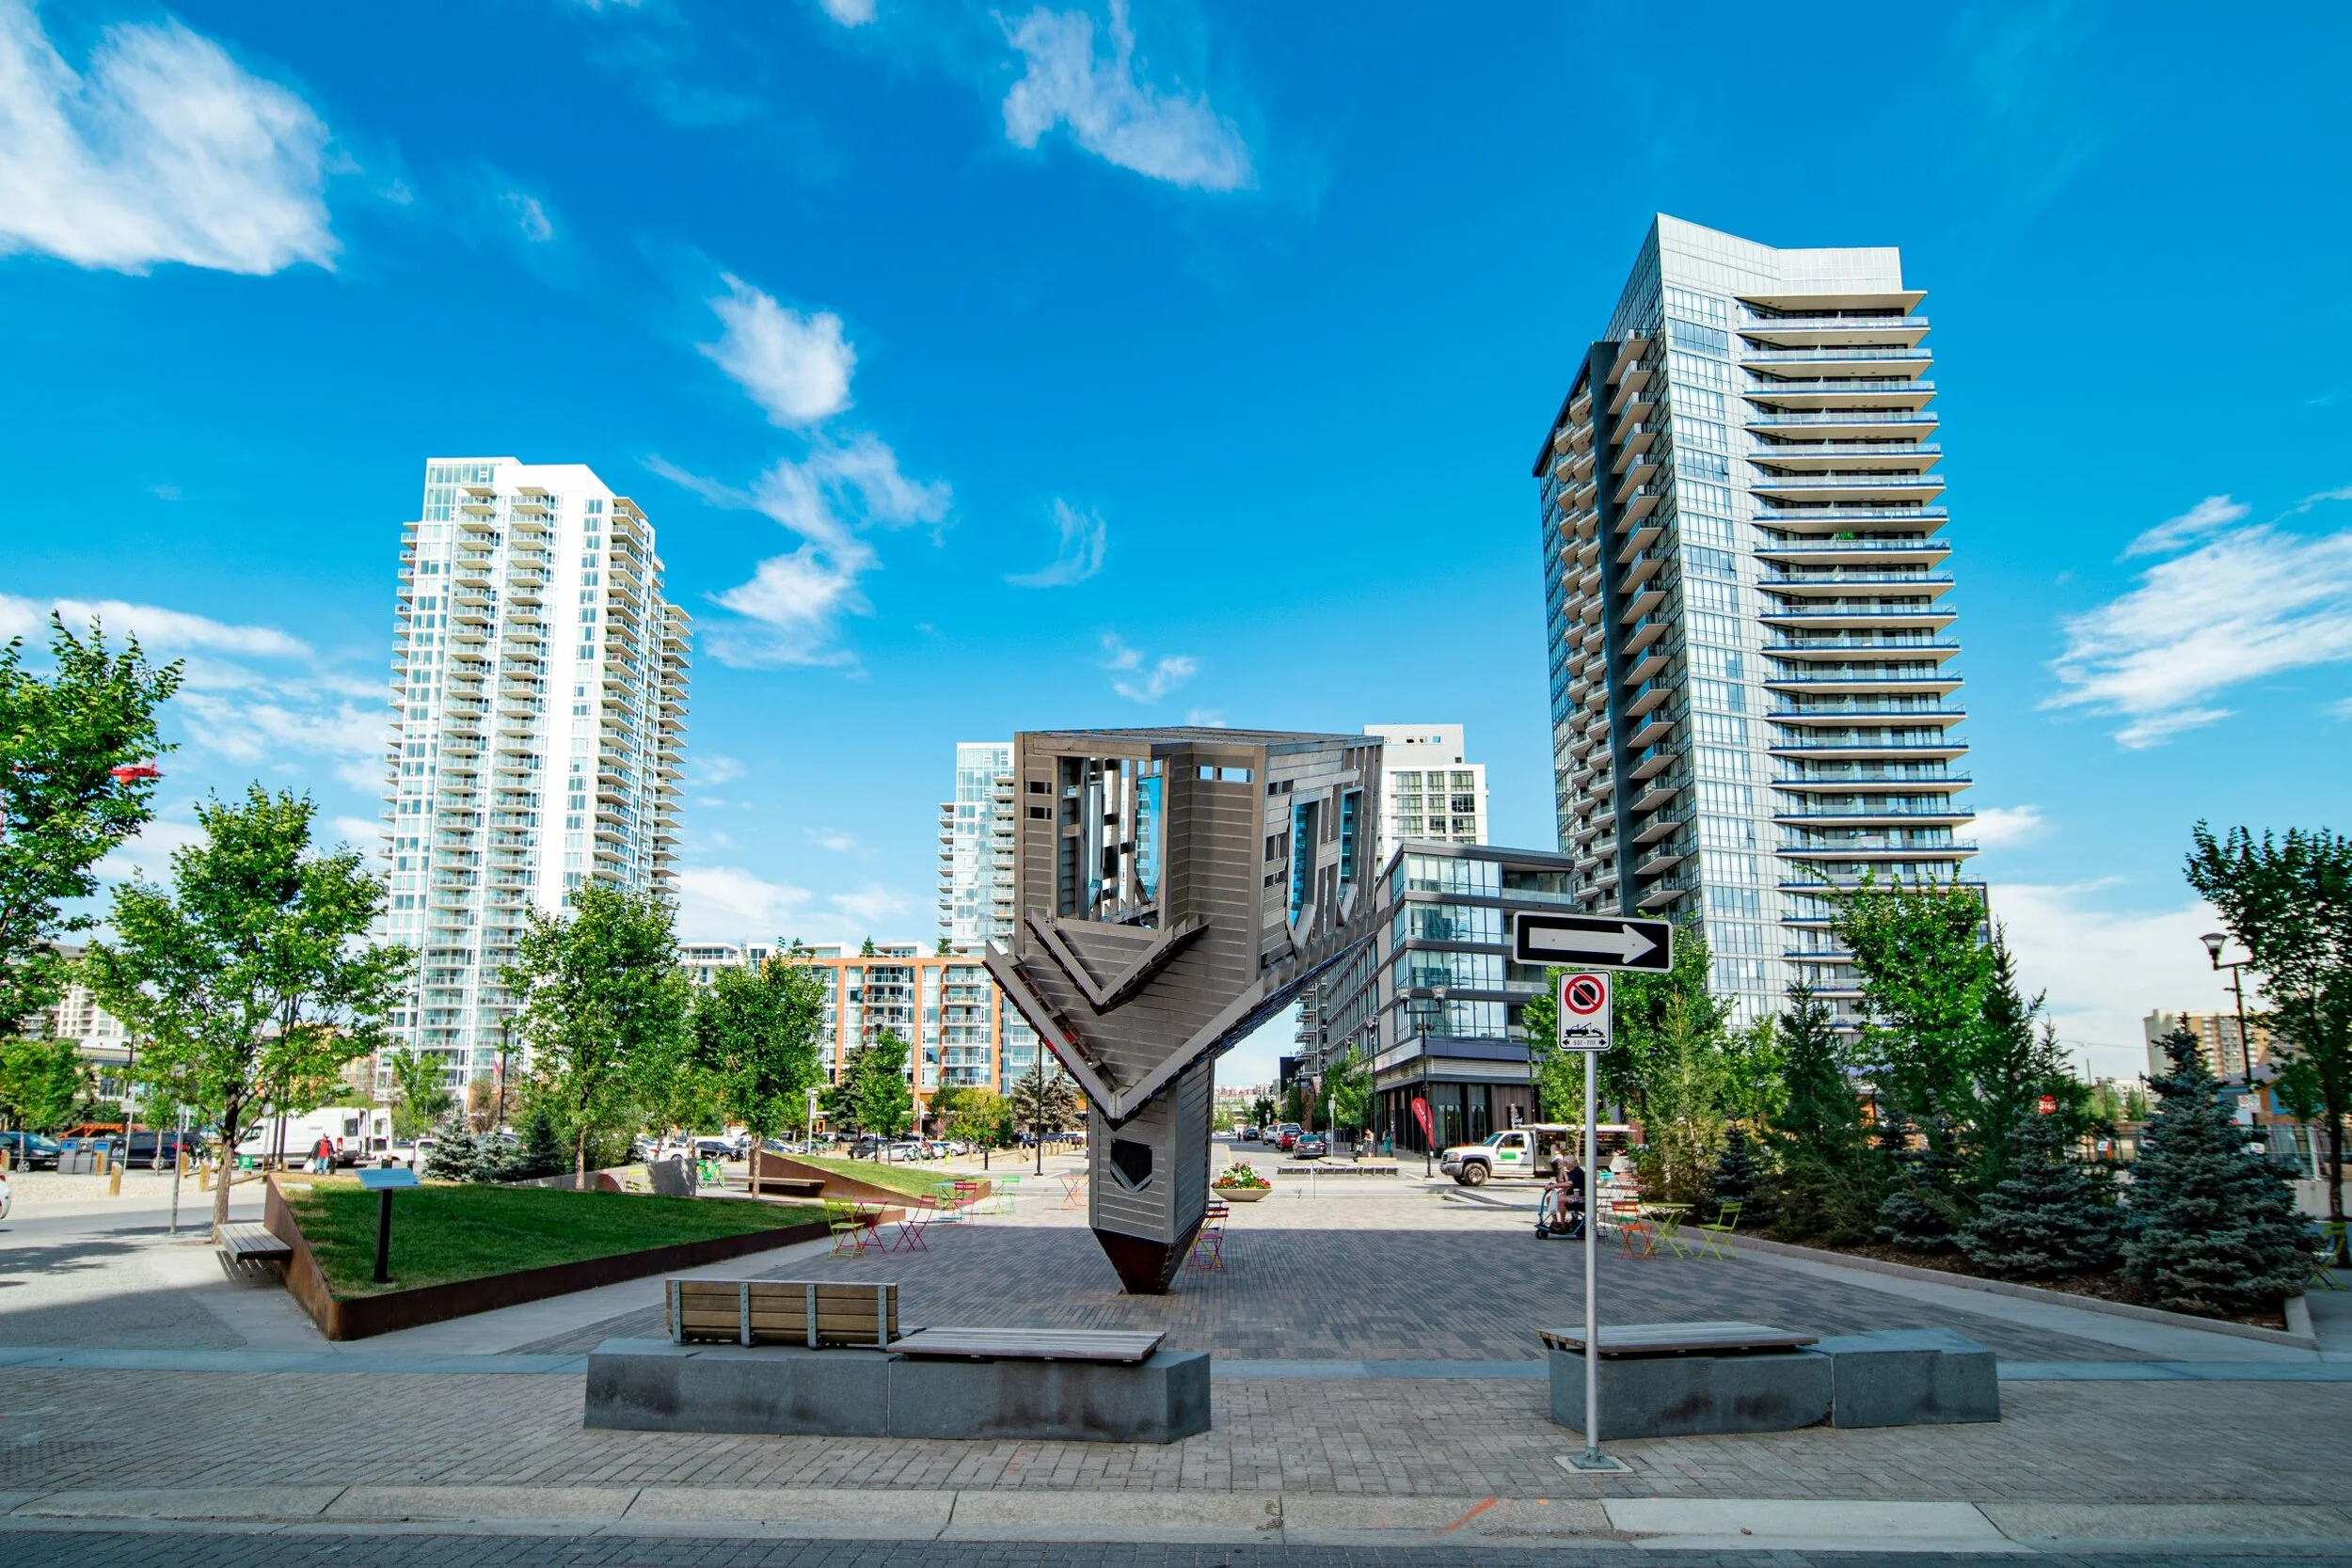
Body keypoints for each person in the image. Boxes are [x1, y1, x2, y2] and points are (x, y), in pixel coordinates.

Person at [1537, 1152, 1585, 1240]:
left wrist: (1554, 1186)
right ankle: (1556, 1222)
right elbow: (1571, 1185)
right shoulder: (1571, 1172)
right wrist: (1561, 1189)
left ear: (1571, 1163)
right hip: (1572, 1195)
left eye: (1566, 1163)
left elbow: (1569, 1183)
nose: (1564, 1165)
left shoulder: (1577, 1172)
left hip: (1580, 1198)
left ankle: (1563, 1224)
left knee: (1560, 1200)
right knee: (1549, 1199)